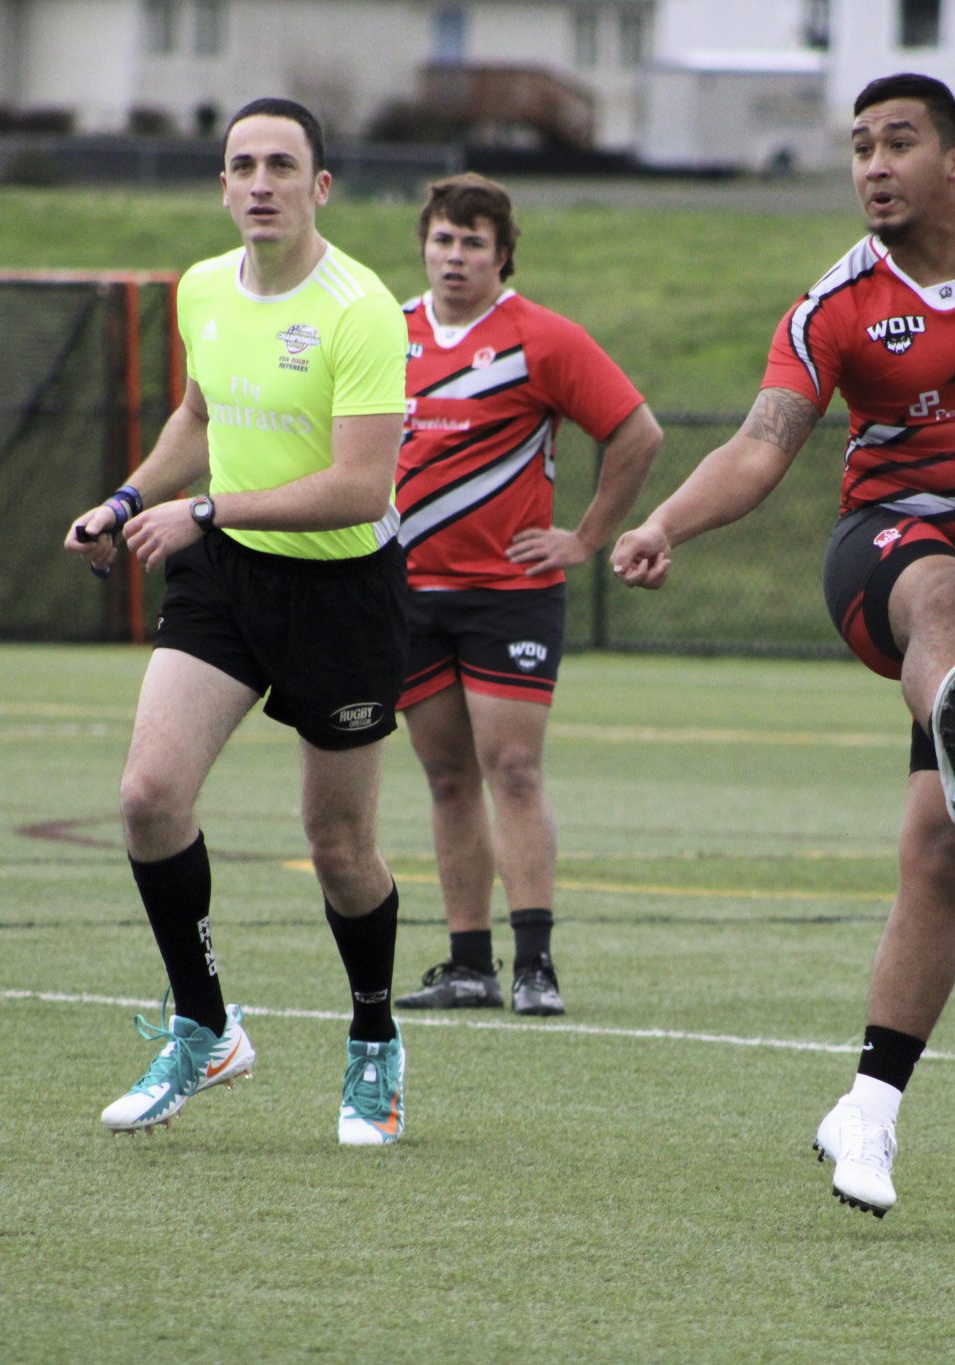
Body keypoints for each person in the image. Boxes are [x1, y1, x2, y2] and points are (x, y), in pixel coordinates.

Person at [611, 73, 955, 1216]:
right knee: (947, 599)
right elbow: (763, 448)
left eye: (896, 142)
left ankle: (866, 1111)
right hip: (885, 552)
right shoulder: (835, 304)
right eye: (858, 145)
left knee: (943, 857)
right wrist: (664, 521)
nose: (872, 164)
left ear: (954, 162)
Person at [63, 97, 415, 1147]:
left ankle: (373, 1049)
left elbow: (360, 488)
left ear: (321, 187)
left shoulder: (361, 309)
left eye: (282, 164)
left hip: (343, 595)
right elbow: (201, 414)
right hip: (226, 582)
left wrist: (203, 508)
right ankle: (205, 1029)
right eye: (241, 164)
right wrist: (126, 501)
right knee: (147, 795)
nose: (259, 181)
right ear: (220, 185)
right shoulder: (203, 287)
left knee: (340, 846)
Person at [390, 173, 662, 1017]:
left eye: (475, 242)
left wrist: (585, 536)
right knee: (444, 776)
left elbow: (636, 432)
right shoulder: (383, 335)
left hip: (510, 593)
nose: (456, 256)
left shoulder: (540, 337)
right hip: (405, 591)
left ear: (504, 255)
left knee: (511, 767)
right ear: (425, 247)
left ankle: (534, 962)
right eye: (444, 239)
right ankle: (467, 961)